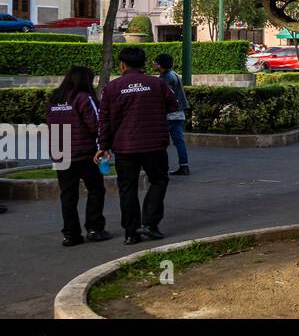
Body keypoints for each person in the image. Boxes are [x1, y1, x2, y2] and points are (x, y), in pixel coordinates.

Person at [97, 45, 178, 244]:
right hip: (154, 144)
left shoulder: (112, 88)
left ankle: (131, 232)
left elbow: (104, 120)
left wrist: (103, 146)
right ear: (143, 64)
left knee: (127, 188)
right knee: (158, 181)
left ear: (122, 65)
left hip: (124, 146)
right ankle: (150, 224)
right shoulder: (157, 84)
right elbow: (173, 104)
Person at [46, 66, 110, 246]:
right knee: (96, 189)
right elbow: (97, 125)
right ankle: (94, 228)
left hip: (60, 154)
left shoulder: (54, 99)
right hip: (84, 153)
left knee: (68, 195)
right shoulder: (83, 98)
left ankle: (70, 234)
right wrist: (103, 147)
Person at [154, 53, 191, 177]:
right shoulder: (174, 74)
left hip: (170, 115)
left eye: (155, 62)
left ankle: (161, 168)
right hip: (178, 113)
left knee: (160, 142)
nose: (153, 64)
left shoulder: (166, 78)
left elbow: (164, 97)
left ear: (160, 65)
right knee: (179, 141)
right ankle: (184, 166)